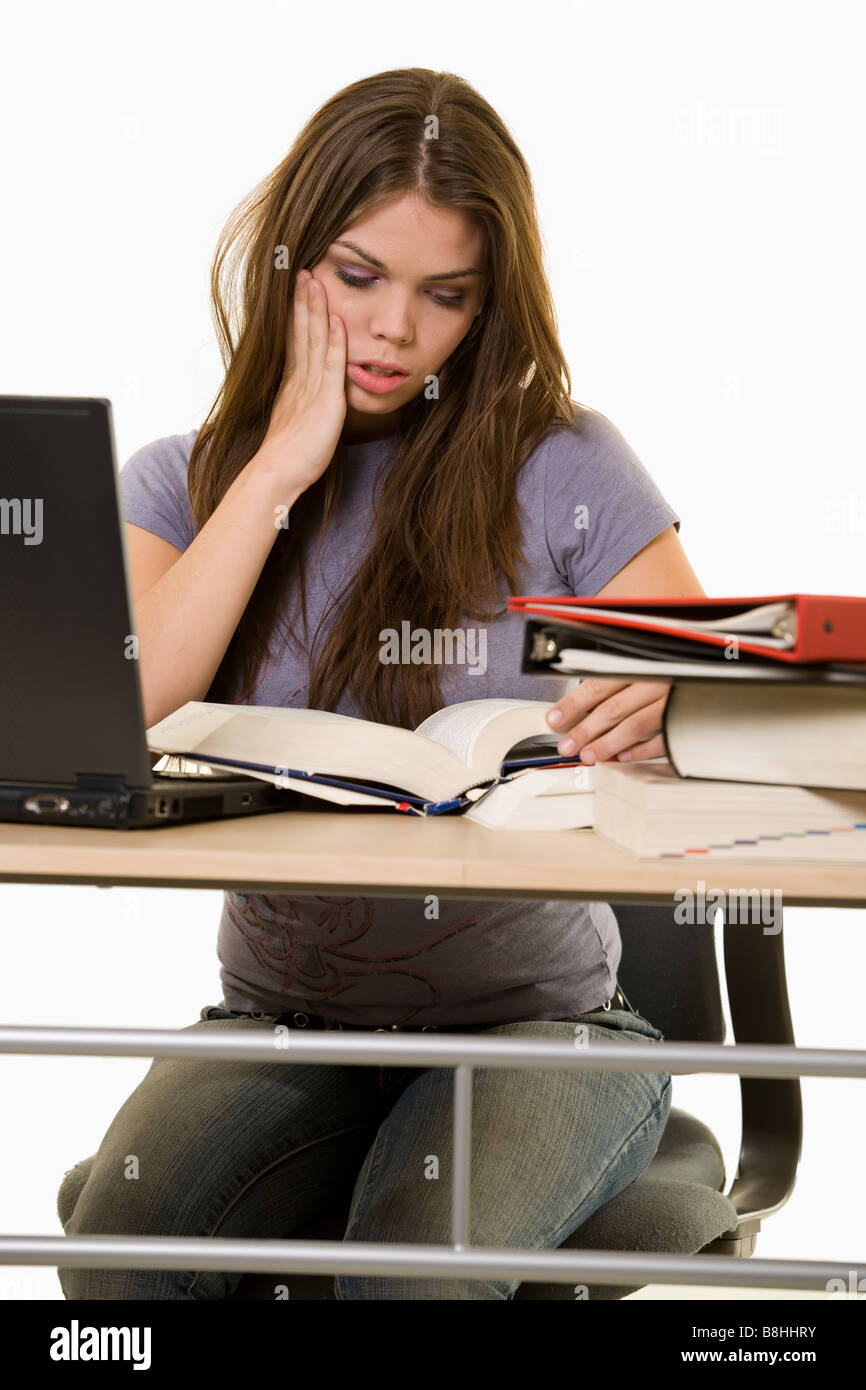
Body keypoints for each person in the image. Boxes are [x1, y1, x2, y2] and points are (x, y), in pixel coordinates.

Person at [57, 66, 705, 1301]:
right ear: (292, 264)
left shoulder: (564, 464)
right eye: (356, 279)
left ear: (487, 307)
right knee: (115, 1269)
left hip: (539, 1030)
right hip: (280, 1021)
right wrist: (274, 474)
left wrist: (679, 710)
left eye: (443, 295)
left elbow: (731, 705)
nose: (395, 332)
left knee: (407, 1283)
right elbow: (108, 715)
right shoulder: (178, 485)